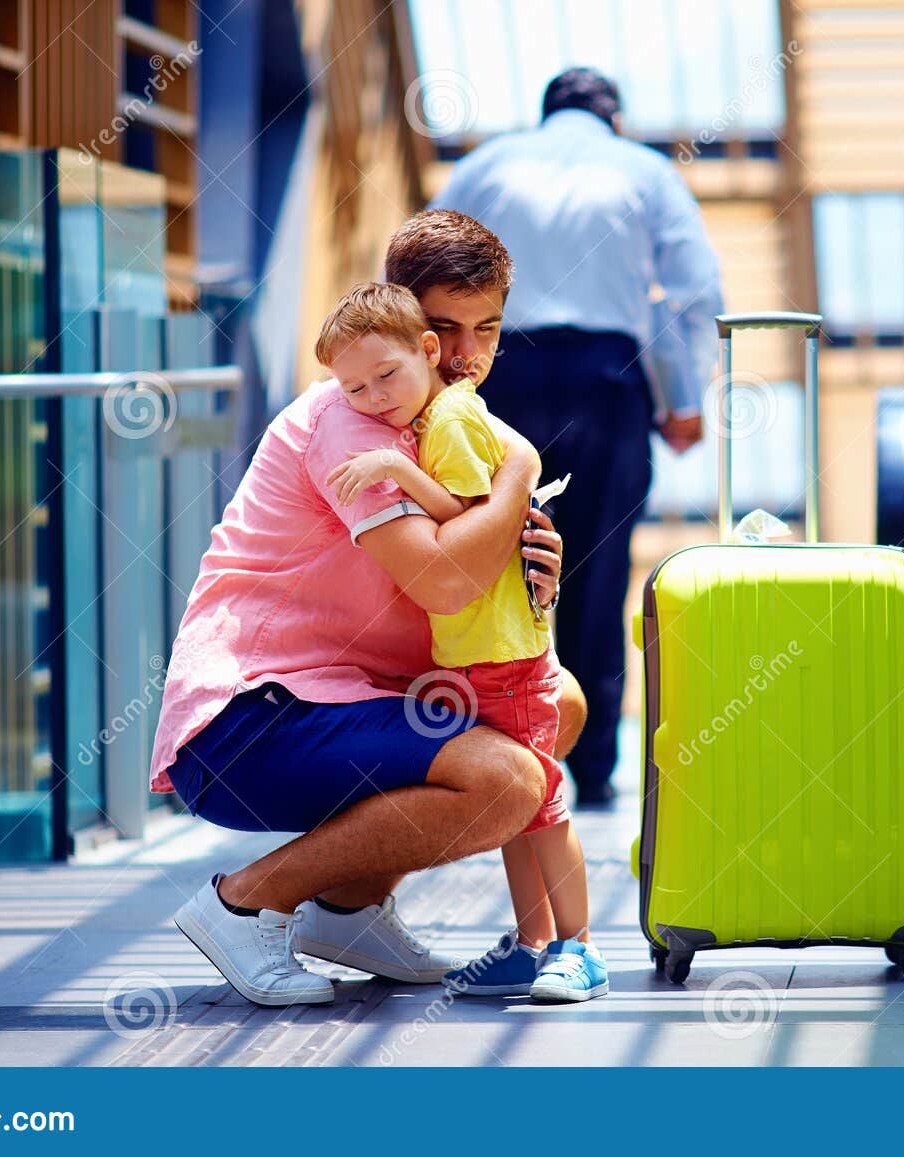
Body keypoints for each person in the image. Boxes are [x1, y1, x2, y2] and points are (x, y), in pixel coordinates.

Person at [149, 215, 584, 1007]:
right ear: (397, 315)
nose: (465, 355)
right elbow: (445, 584)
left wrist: (531, 580)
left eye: (486, 329)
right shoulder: (357, 421)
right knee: (509, 779)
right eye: (444, 328)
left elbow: (471, 609)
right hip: (249, 717)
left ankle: (348, 910)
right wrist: (520, 472)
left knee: (561, 706)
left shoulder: (439, 421)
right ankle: (242, 901)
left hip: (344, 695)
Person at [430, 67, 724, 804]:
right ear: (615, 119)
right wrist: (683, 399)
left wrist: (429, 387)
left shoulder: (485, 165)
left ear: (544, 112)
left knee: (483, 563)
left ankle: (483, 753)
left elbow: (416, 267)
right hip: (606, 379)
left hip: (500, 375)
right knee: (596, 569)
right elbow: (691, 290)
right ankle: (586, 767)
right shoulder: (647, 171)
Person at [320, 281, 608, 1002]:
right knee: (518, 810)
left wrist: (394, 469)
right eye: (354, 388)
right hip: (480, 652)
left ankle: (580, 946)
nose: (375, 396)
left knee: (540, 808)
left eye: (387, 376)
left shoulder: (445, 421)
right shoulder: (432, 416)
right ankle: (533, 940)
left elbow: (470, 524)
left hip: (506, 655)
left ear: (424, 352)